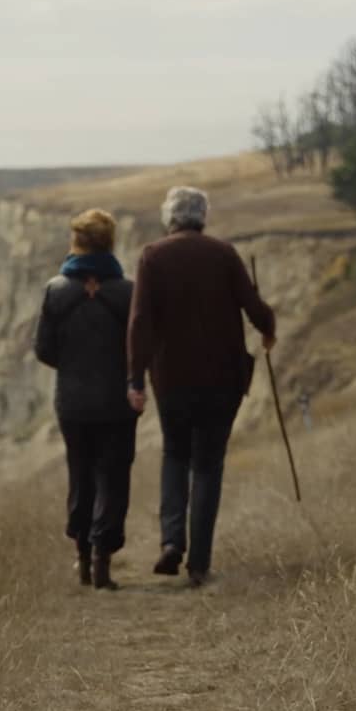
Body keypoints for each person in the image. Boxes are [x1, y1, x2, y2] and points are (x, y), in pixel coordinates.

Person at [126, 186, 275, 587]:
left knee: (175, 453)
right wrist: (268, 330)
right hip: (222, 379)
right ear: (202, 216)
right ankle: (200, 565)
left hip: (172, 378)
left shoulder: (152, 256)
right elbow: (254, 306)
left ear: (169, 218)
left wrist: (135, 377)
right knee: (208, 465)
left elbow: (139, 322)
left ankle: (172, 541)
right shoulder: (223, 254)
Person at [34, 209, 137, 590]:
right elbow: (138, 347)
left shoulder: (56, 290)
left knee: (80, 474)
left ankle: (81, 556)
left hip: (73, 401)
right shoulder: (128, 292)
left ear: (75, 243)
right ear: (110, 244)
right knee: (114, 477)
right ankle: (103, 561)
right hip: (117, 401)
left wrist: (73, 364)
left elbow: (43, 349)